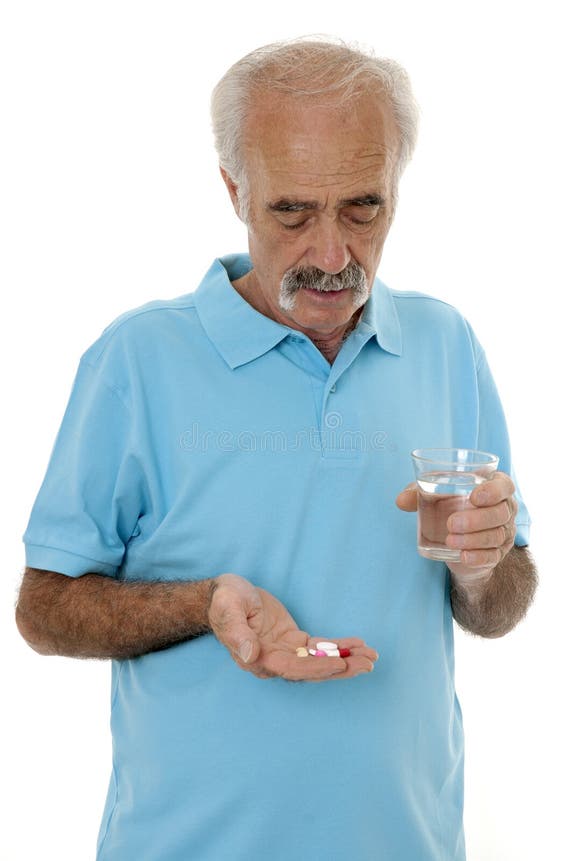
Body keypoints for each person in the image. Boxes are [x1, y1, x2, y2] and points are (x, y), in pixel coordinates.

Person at [16, 37, 537, 861]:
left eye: (362, 208)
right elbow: (42, 609)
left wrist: (483, 563)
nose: (332, 256)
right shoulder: (138, 360)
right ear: (235, 190)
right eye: (292, 212)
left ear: (397, 189)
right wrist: (202, 603)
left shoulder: (446, 343)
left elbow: (501, 603)